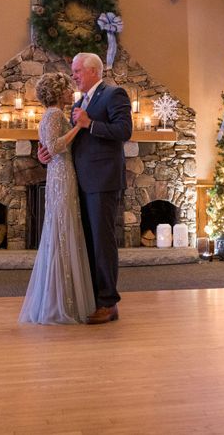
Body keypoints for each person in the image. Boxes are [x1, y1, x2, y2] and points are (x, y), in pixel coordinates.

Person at [38, 53, 132, 325]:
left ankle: (108, 303)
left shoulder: (114, 94)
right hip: (77, 181)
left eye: (77, 71)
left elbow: (124, 131)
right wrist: (44, 154)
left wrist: (90, 123)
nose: (74, 76)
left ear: (93, 70)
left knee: (102, 243)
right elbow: (68, 141)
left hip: (102, 180)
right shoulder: (79, 103)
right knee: (87, 242)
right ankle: (92, 299)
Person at [20, 73, 96, 325]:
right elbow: (53, 147)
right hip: (61, 175)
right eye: (67, 88)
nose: (71, 91)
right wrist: (78, 127)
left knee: (63, 227)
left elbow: (48, 148)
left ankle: (61, 297)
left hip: (62, 173)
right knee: (62, 228)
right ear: (57, 92)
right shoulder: (54, 115)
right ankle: (59, 302)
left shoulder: (55, 114)